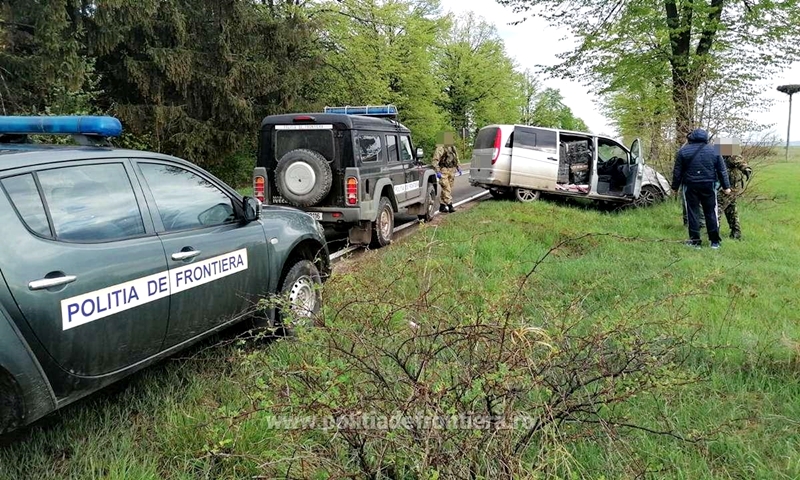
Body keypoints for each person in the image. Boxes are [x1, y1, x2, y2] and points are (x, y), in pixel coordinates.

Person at [671, 128, 731, 249]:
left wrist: (675, 188)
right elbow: (722, 170)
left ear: (691, 138)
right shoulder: (715, 150)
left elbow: (677, 172)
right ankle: (715, 242)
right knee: (711, 213)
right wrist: (726, 187)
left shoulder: (683, 151)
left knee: (692, 213)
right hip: (709, 185)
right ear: (706, 138)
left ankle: (695, 241)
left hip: (690, 186)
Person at [717, 153, 752, 239]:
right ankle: (736, 232)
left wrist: (746, 169)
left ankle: (714, 234)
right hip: (729, 187)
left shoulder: (731, 155)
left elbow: (740, 162)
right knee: (731, 209)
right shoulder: (721, 155)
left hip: (729, 187)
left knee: (717, 209)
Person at [432, 131, 461, 213]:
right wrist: (438, 171)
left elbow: (456, 157)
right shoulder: (440, 148)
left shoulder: (452, 147)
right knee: (446, 188)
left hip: (452, 170)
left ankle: (442, 206)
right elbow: (435, 161)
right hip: (444, 170)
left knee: (447, 189)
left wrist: (458, 167)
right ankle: (450, 205)